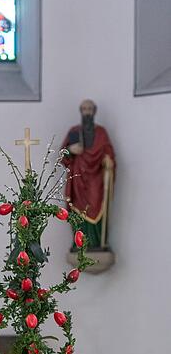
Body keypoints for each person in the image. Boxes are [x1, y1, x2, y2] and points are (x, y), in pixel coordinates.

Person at [62, 99, 116, 250]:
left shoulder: (101, 132)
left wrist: (108, 160)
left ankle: (97, 243)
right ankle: (80, 244)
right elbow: (63, 154)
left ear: (94, 111)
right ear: (81, 111)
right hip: (78, 177)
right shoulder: (74, 131)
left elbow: (109, 153)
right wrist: (71, 151)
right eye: (84, 108)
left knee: (97, 206)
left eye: (90, 109)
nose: (87, 112)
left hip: (96, 179)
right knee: (78, 210)